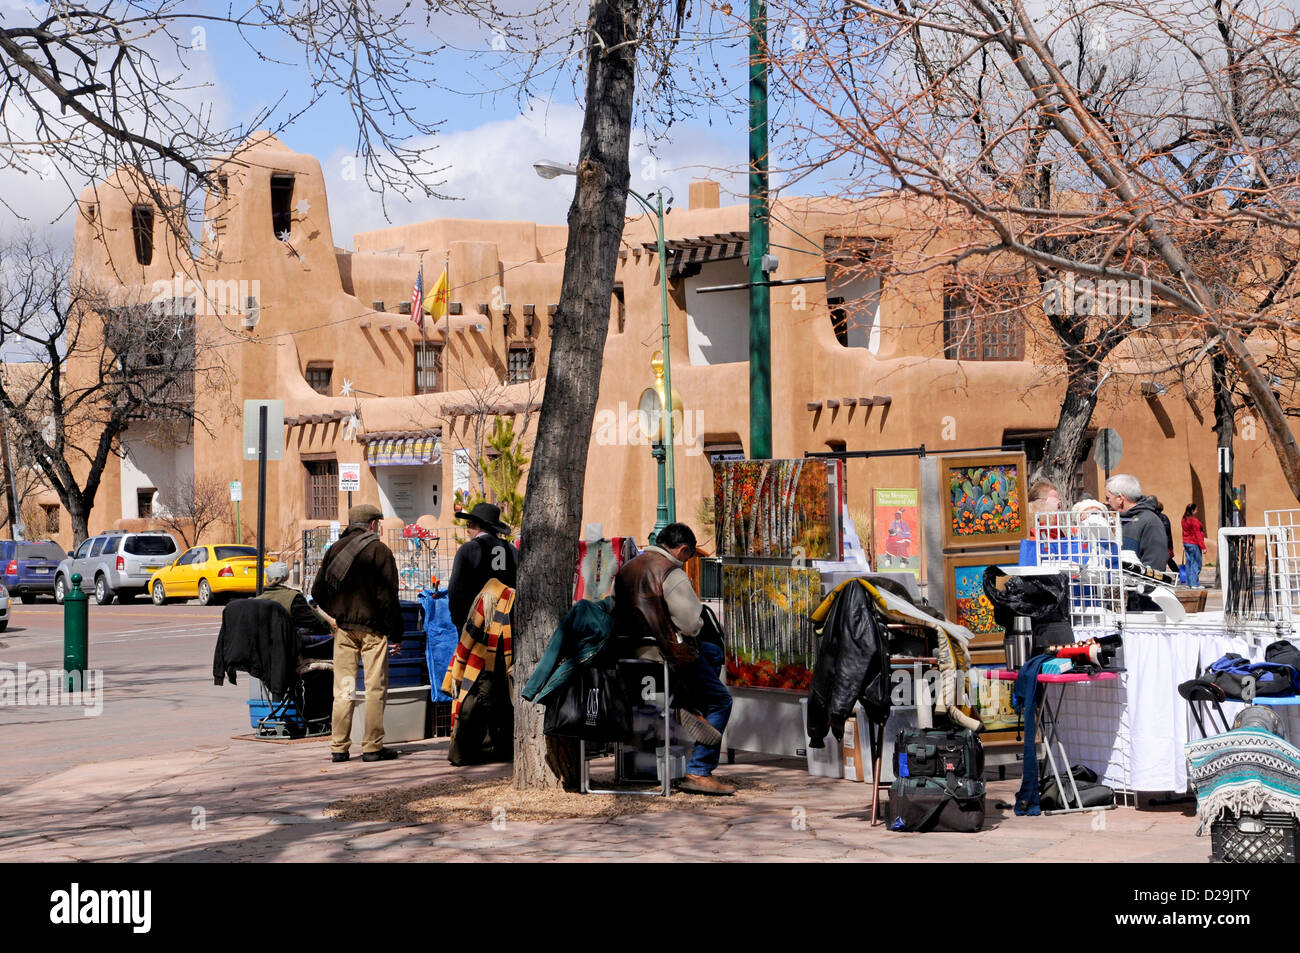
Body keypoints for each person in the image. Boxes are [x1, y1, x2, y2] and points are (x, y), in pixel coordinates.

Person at [613, 522, 734, 796]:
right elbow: (691, 623)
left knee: (713, 654)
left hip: (629, 656)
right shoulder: (671, 572)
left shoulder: (627, 569)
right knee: (722, 700)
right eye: (688, 556)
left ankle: (689, 703)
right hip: (665, 656)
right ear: (682, 550)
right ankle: (699, 769)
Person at [311, 504, 404, 763]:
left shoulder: (335, 550)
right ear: (373, 525)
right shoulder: (380, 551)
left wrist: (337, 616)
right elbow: (388, 598)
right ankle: (372, 747)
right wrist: (396, 633)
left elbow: (317, 592)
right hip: (373, 631)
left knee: (343, 689)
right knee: (375, 688)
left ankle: (339, 747)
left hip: (344, 631)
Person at [448, 502, 518, 634]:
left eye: (469, 525)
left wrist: (459, 621)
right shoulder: (511, 549)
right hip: (506, 624)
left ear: (478, 525)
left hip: (474, 625)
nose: (467, 530)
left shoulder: (467, 549)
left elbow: (455, 590)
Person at [1104, 474, 1167, 569]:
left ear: (1120, 498)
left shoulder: (1150, 522)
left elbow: (1155, 566)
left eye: (1108, 498)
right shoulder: (1119, 520)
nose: (1106, 502)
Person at [256, 561, 331, 635]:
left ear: (267, 580)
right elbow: (313, 623)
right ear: (286, 578)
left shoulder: (256, 601)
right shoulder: (293, 598)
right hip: (289, 642)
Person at [1182, 503, 1207, 588]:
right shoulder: (1194, 521)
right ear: (1192, 511)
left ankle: (1189, 583)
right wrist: (1203, 547)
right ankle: (1194, 583)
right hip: (1194, 543)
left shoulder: (1184, 519)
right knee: (1196, 563)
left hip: (1186, 543)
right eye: (1196, 509)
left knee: (1189, 563)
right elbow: (1198, 534)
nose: (1197, 511)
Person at [1153, 497, 1178, 573]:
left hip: (1165, 543)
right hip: (1161, 542)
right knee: (1166, 559)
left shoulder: (1163, 517)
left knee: (1168, 559)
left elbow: (1165, 528)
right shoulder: (1160, 517)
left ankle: (1177, 572)